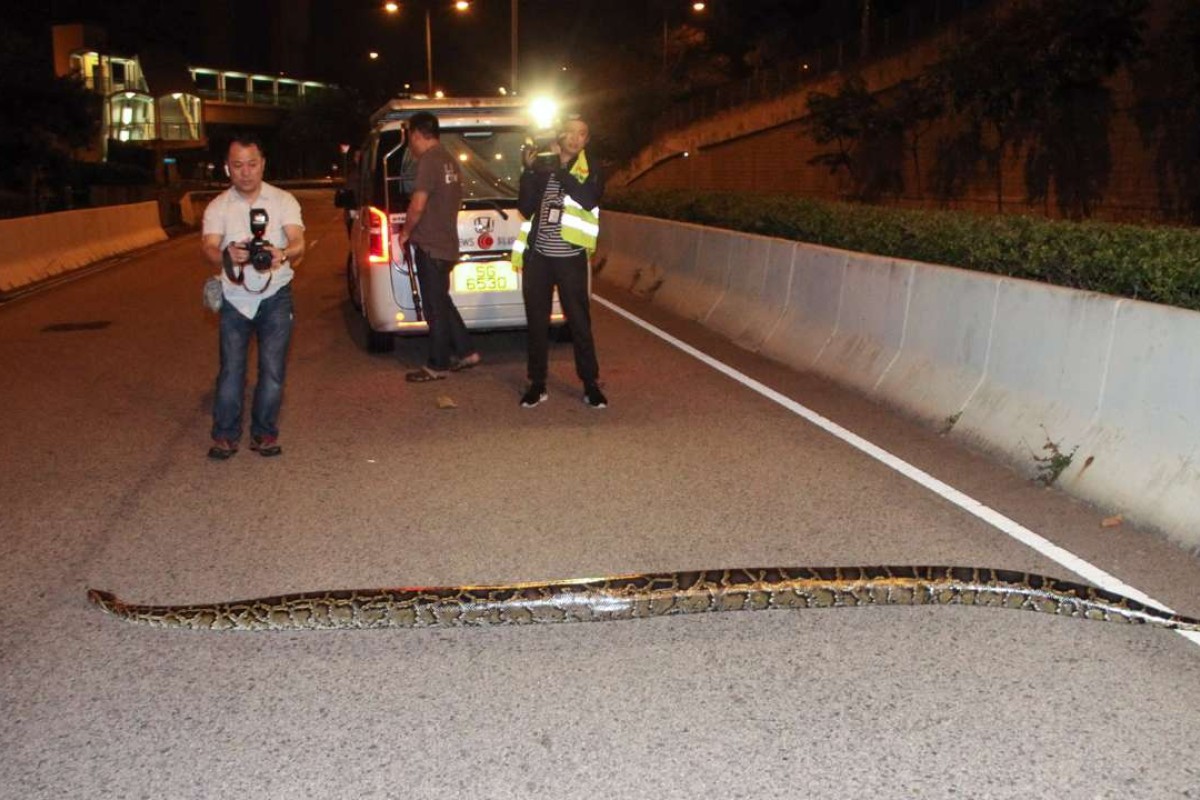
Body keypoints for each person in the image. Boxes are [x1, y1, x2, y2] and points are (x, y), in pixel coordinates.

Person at [201, 133, 305, 460]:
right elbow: (208, 248)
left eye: (252, 164)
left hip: (275, 294)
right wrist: (227, 254)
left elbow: (298, 241)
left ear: (263, 164)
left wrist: (282, 253)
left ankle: (264, 433)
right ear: (227, 168)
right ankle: (225, 435)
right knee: (231, 369)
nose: (245, 172)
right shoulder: (219, 206)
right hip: (234, 297)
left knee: (272, 370)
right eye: (237, 165)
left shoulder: (283, 201)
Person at [512, 114, 606, 408]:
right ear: (561, 134)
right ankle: (537, 383)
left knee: (579, 322)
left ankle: (590, 384)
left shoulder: (590, 168)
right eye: (571, 133)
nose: (576, 138)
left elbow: (589, 198)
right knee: (537, 323)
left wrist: (561, 170)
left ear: (586, 140)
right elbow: (526, 208)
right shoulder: (541, 166)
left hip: (570, 259)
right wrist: (529, 173)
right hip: (539, 258)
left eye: (582, 134)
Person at [396, 111, 481, 382]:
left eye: (411, 137)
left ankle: (437, 364)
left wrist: (405, 232)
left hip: (431, 246)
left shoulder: (428, 161)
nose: (410, 143)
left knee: (434, 307)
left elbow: (418, 204)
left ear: (418, 135)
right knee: (442, 301)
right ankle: (467, 352)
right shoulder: (449, 160)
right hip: (446, 243)